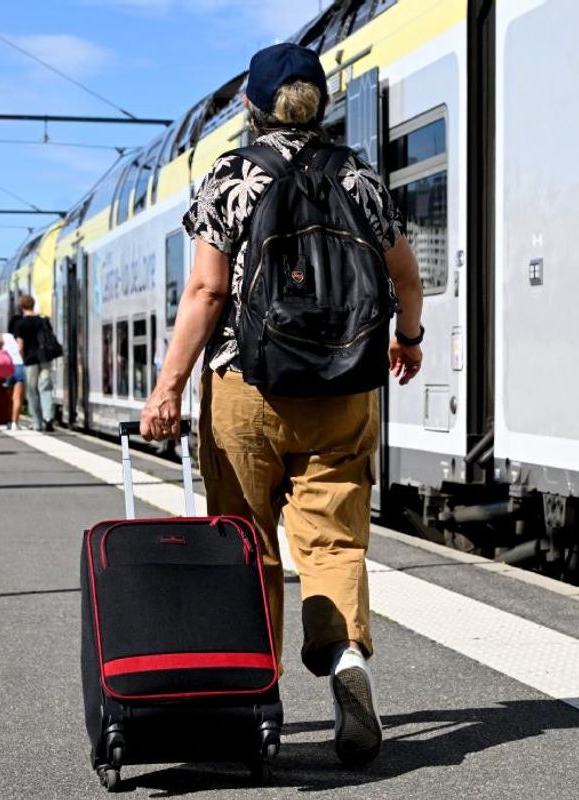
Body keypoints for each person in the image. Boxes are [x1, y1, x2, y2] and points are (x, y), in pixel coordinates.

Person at [140, 43, 424, 768]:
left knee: (245, 543)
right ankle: (346, 660)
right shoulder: (359, 174)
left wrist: (168, 385)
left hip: (248, 388)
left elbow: (206, 294)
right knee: (332, 543)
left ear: (250, 107)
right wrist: (410, 340)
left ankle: (252, 705)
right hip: (344, 387)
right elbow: (405, 274)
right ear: (319, 103)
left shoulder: (231, 175)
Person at [9, 294, 56, 432]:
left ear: (21, 307)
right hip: (45, 358)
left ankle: (37, 422)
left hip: (30, 360)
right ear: (33, 304)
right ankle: (48, 418)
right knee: (46, 388)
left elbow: (20, 346)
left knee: (32, 391)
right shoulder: (43, 320)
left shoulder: (20, 324)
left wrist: (22, 359)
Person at [0, 318, 26, 431]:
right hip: (20, 366)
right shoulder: (23, 337)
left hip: (7, 367)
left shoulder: (3, 337)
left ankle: (8, 421)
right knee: (17, 398)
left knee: (7, 399)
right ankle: (15, 423)